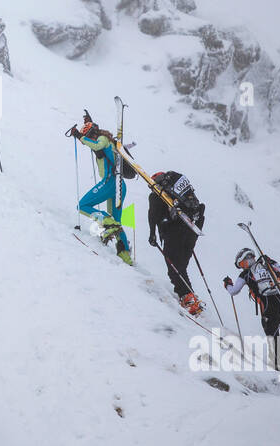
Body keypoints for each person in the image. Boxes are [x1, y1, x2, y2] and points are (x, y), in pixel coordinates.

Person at [68, 117, 132, 264]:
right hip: (119, 184)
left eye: (89, 135)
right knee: (117, 221)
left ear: (93, 133)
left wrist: (79, 135)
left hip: (110, 181)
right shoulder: (106, 140)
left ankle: (106, 222)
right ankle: (125, 254)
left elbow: (96, 145)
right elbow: (94, 145)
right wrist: (86, 127)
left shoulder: (103, 139)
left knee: (82, 205)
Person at [147, 171, 206, 315]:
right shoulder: (179, 191)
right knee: (181, 266)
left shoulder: (156, 196)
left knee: (173, 267)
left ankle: (188, 298)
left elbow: (153, 215)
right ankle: (189, 295)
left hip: (174, 231)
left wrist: (152, 234)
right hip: (192, 227)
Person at [224, 248, 280, 370]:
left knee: (270, 330)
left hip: (269, 308)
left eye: (241, 264)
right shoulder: (267, 265)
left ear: (243, 261)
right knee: (274, 328)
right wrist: (272, 262)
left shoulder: (246, 274)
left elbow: (233, 291)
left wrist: (227, 284)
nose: (242, 267)